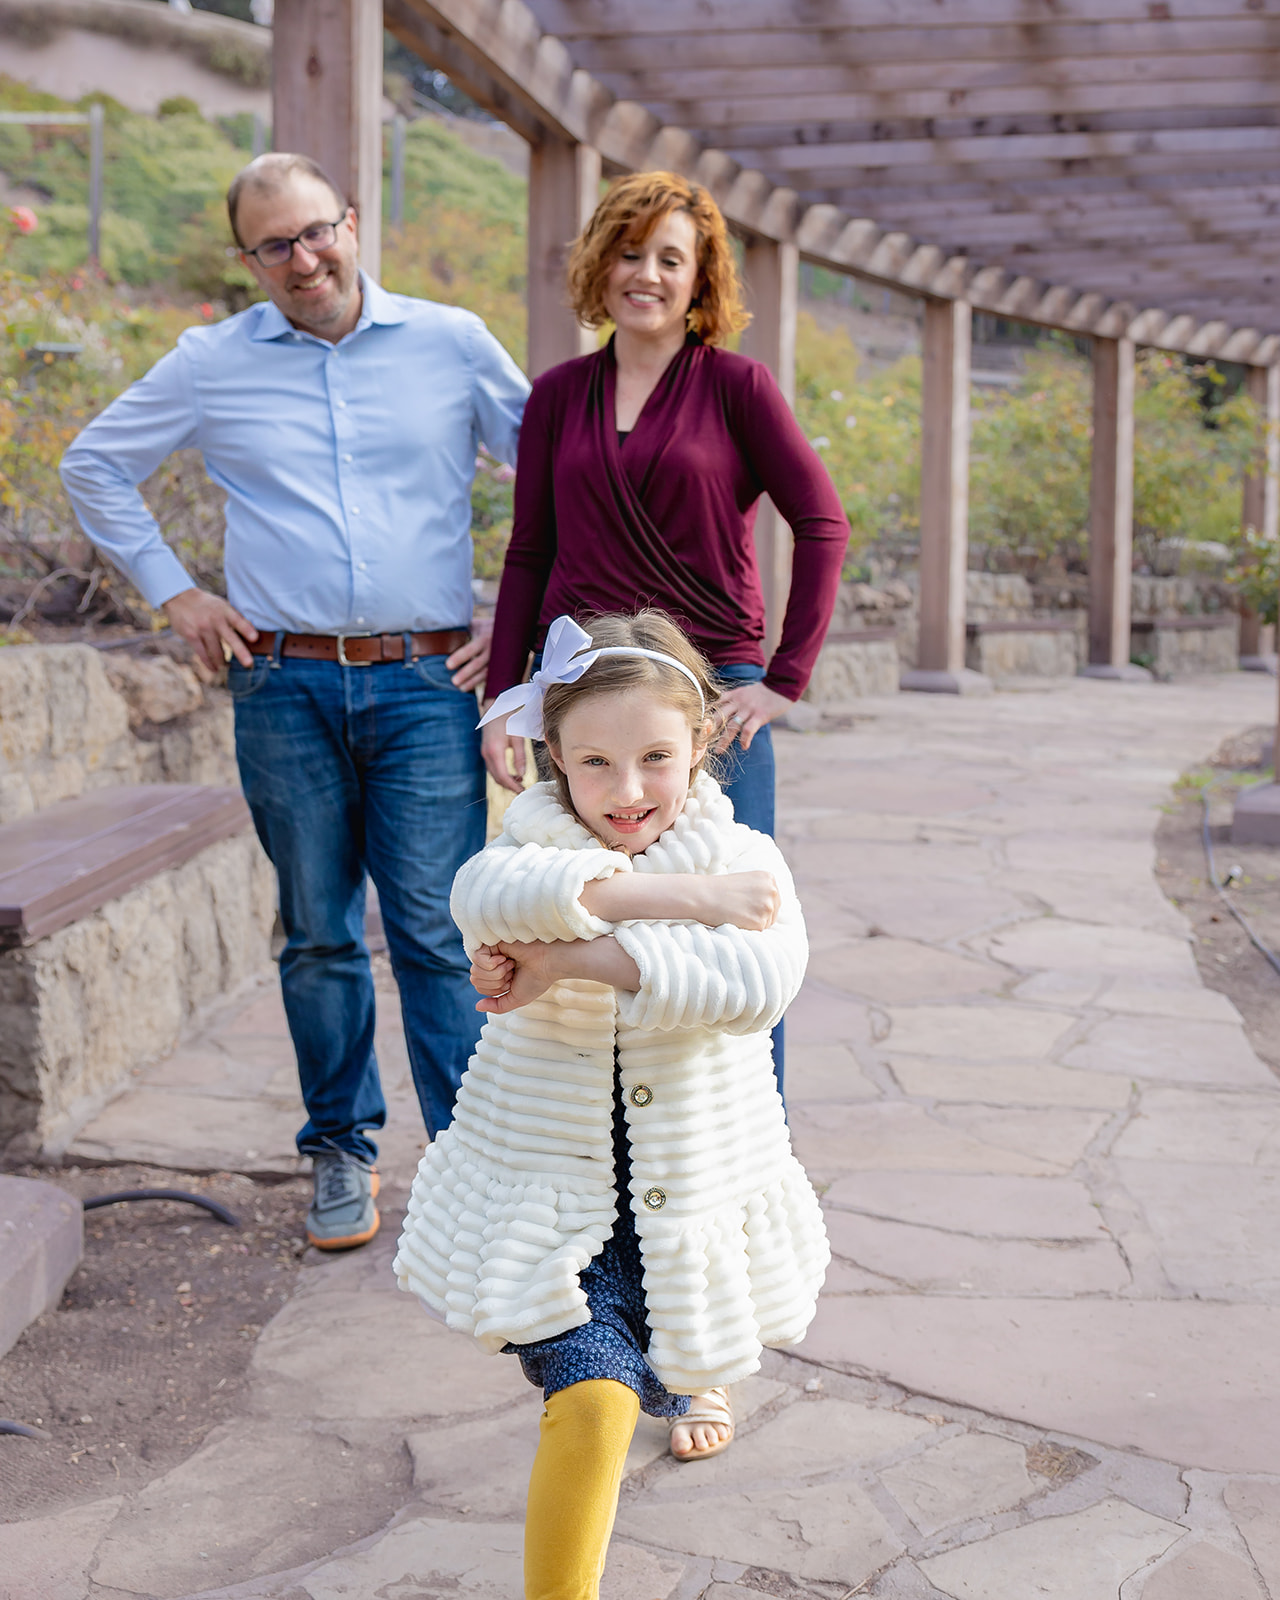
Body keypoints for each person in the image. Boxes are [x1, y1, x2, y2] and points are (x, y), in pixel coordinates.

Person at [59, 153, 529, 1251]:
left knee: (430, 930)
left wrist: (518, 614)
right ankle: (340, 1153)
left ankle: (472, 1169)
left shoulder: (451, 343)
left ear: (353, 224)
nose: (302, 258)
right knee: (316, 933)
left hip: (425, 680)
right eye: (274, 244)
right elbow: (93, 464)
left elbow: (553, 472)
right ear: (248, 259)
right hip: (282, 683)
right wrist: (174, 593)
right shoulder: (208, 362)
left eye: (316, 231)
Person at [394, 610, 829, 1598]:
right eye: (594, 762)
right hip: (563, 1214)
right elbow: (480, 896)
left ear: (700, 743)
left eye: (653, 758)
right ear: (552, 756)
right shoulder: (526, 844)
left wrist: (565, 960)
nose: (626, 791)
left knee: (682, 1349)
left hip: (689, 1196)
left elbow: (755, 981)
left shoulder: (745, 854)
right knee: (593, 1396)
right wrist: (679, 902)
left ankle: (689, 1376)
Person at [481, 171, 849, 1092]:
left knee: (729, 924)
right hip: (578, 698)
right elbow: (528, 551)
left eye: (669, 258)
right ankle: (595, 1167)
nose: (645, 273)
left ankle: (741, 1160)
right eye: (629, 251)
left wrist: (783, 678)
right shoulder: (559, 395)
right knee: (571, 910)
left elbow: (823, 522)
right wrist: (501, 698)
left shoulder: (738, 388)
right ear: (601, 265)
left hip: (710, 697)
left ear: (701, 279)